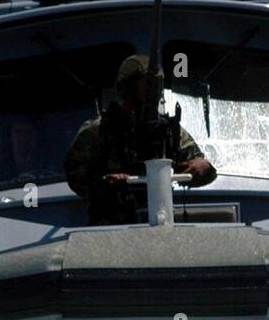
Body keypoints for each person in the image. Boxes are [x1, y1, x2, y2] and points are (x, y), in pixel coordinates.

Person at [65, 55, 217, 225]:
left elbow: (203, 167)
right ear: (128, 88)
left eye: (157, 84)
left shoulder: (169, 131)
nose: (154, 90)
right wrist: (106, 184)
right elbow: (75, 176)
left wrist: (203, 166)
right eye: (148, 83)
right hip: (109, 228)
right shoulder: (98, 131)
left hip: (161, 222)